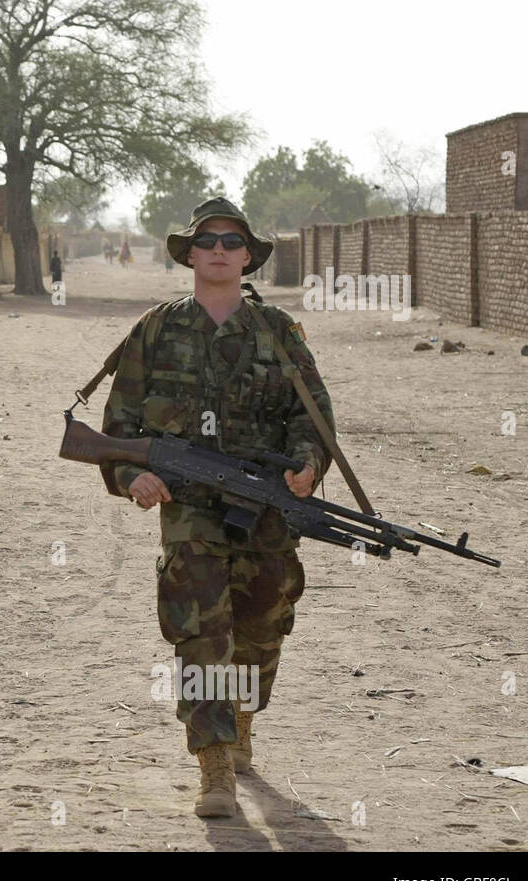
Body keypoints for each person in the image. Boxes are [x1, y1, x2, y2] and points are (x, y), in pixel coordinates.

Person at [99, 197, 334, 818]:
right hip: (189, 506)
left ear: (249, 255)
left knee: (261, 620)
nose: (222, 250)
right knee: (201, 629)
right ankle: (216, 765)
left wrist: (308, 465)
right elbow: (118, 423)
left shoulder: (279, 333)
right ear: (192, 254)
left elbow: (312, 416)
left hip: (264, 502)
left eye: (234, 242)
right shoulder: (156, 328)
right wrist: (133, 476)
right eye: (210, 241)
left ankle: (242, 716)